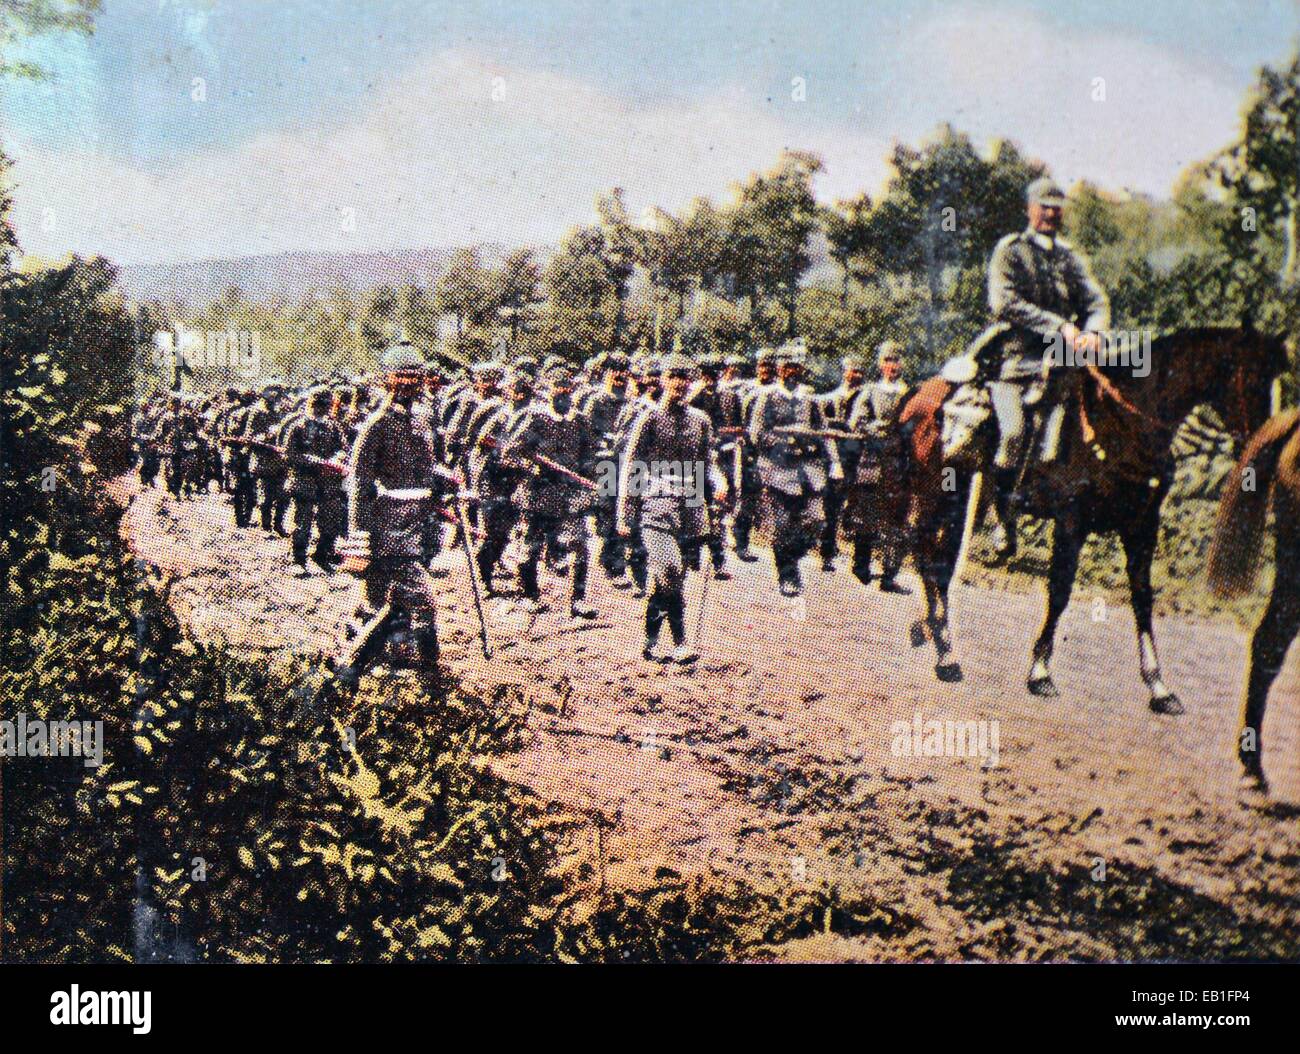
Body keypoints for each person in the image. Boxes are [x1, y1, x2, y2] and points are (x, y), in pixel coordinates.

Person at [982, 175, 1110, 559]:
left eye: (1057, 206)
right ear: (1029, 209)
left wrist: (1093, 332)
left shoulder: (1069, 257)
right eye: (1044, 205)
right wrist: (1060, 326)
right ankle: (1002, 519)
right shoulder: (1011, 251)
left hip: (1065, 361)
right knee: (1015, 434)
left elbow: (1096, 301)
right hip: (1017, 363)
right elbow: (1003, 302)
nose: (1051, 212)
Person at [342, 344, 444, 671]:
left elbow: (424, 468)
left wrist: (446, 479)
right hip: (386, 526)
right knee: (422, 602)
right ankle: (430, 672)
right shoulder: (377, 424)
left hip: (418, 523)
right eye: (401, 376)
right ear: (386, 380)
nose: (409, 383)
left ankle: (374, 661)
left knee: (381, 602)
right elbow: (358, 483)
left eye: (415, 376)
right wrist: (359, 541)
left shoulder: (422, 420)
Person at [617, 354, 723, 663]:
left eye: (685, 379)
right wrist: (625, 513)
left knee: (671, 579)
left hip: (691, 510)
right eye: (673, 378)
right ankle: (680, 642)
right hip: (656, 506)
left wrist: (720, 484)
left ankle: (651, 639)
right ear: (662, 381)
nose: (679, 384)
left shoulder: (700, 421)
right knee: (669, 570)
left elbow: (708, 463)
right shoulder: (648, 419)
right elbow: (630, 467)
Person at [503, 364, 598, 619]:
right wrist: (532, 467)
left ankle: (578, 600)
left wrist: (587, 482)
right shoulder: (534, 418)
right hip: (538, 494)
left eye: (568, 392)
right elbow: (509, 453)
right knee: (531, 547)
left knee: (580, 546)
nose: (564, 397)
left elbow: (589, 457)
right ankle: (529, 595)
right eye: (559, 392)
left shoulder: (579, 421)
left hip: (569, 495)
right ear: (548, 393)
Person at [749, 342, 841, 597]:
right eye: (788, 366)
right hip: (778, 471)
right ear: (779, 368)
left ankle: (792, 557)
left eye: (797, 366)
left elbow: (824, 433)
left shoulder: (810, 397)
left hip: (808, 470)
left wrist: (834, 463)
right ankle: (787, 574)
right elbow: (756, 434)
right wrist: (783, 444)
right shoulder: (767, 396)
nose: (793, 371)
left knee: (817, 520)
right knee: (784, 525)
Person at [847, 342, 911, 591]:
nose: (892, 366)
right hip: (872, 461)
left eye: (896, 360)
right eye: (887, 360)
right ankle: (861, 565)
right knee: (866, 518)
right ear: (880, 364)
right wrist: (877, 429)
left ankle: (888, 575)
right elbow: (856, 422)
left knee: (895, 522)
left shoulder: (909, 393)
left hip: (898, 464)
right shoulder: (870, 391)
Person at [283, 387, 346, 576]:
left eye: (326, 405)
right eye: (319, 405)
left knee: (330, 522)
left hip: (328, 482)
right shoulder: (298, 426)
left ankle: (321, 555)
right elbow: (289, 455)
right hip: (304, 480)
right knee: (302, 523)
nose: (322, 409)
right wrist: (311, 461)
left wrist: (337, 458)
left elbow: (343, 448)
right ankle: (298, 560)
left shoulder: (333, 427)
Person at [817, 353, 869, 571]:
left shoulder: (866, 399)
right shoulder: (829, 399)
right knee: (831, 508)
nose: (855, 374)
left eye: (859, 371)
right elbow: (825, 433)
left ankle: (860, 562)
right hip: (835, 459)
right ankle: (827, 553)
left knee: (860, 510)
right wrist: (833, 460)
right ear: (844, 371)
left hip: (861, 460)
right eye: (851, 370)